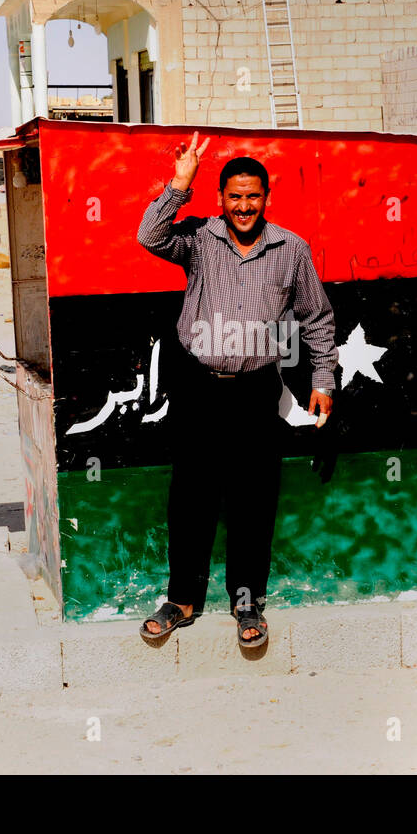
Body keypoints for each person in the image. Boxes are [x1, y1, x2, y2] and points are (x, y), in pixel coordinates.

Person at [136, 132, 337, 648]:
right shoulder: (200, 239)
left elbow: (316, 318)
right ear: (221, 200)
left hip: (255, 392)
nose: (244, 206)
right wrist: (180, 185)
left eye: (253, 196)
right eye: (235, 197)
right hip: (199, 389)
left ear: (265, 199)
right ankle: (182, 600)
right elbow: (149, 237)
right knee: (191, 497)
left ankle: (247, 602)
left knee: (252, 497)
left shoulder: (290, 250)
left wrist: (322, 380)